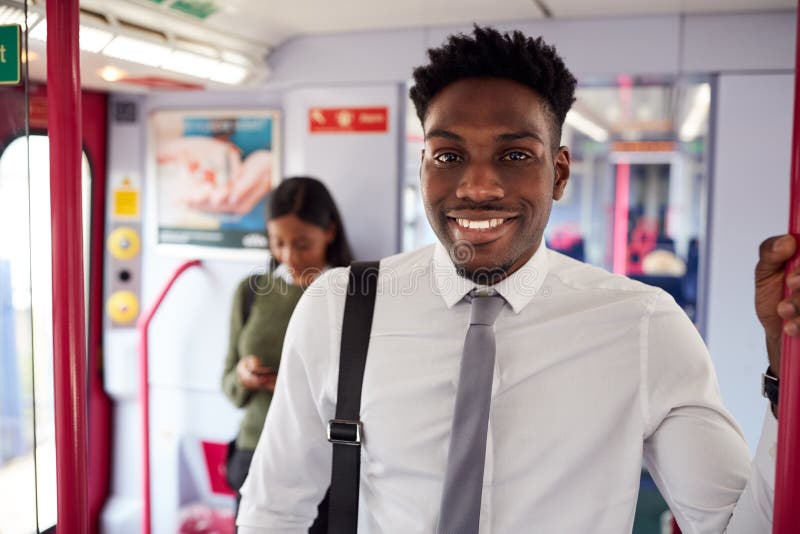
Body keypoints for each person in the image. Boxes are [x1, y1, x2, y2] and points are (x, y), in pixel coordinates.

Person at [236, 27, 800, 533]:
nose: (478, 187)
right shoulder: (341, 307)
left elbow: (732, 527)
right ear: (423, 168)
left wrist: (787, 370)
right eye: (449, 156)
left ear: (558, 173)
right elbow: (274, 510)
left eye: (513, 154)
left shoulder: (645, 325)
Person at [221, 176, 353, 531]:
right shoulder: (251, 293)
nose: (289, 256)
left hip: (325, 462)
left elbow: (368, 390)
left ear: (329, 232)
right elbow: (228, 385)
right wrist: (243, 377)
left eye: (302, 244)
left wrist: (295, 386)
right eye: (278, 243)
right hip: (255, 449)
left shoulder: (355, 297)